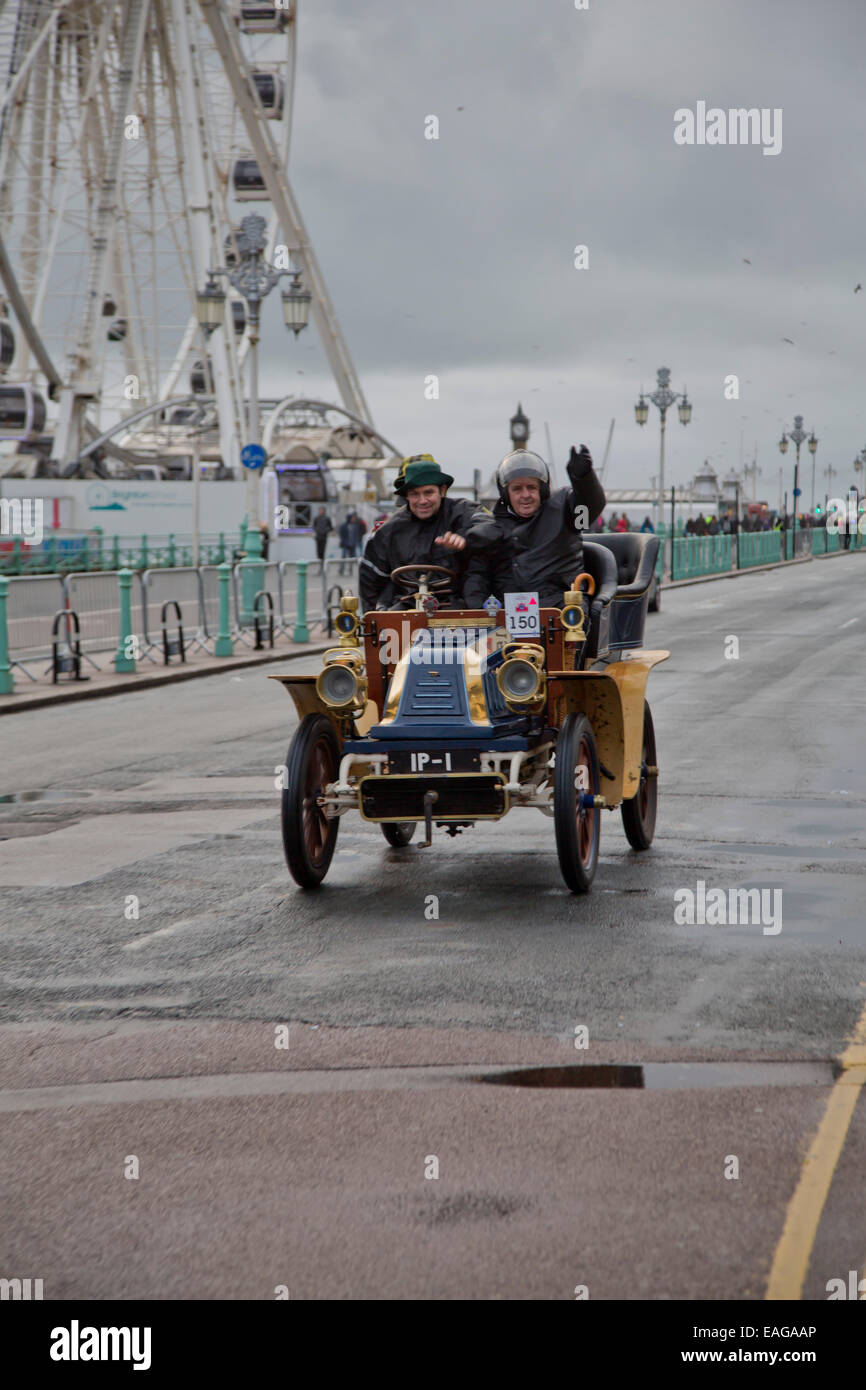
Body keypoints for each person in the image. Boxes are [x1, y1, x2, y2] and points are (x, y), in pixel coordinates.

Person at [462, 446, 605, 608]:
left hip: (561, 607)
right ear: (506, 494)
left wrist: (585, 480)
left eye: (531, 487)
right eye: (517, 489)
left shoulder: (565, 509)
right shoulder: (491, 530)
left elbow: (588, 512)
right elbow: (477, 579)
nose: (525, 495)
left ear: (542, 490)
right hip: (506, 616)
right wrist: (479, 616)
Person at [359, 455, 479, 610]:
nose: (422, 501)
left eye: (428, 492)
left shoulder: (463, 512)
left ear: (442, 490)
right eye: (415, 494)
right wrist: (372, 625)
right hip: (407, 606)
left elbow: (487, 528)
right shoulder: (388, 532)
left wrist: (466, 540)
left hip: (457, 607)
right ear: (406, 496)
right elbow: (370, 580)